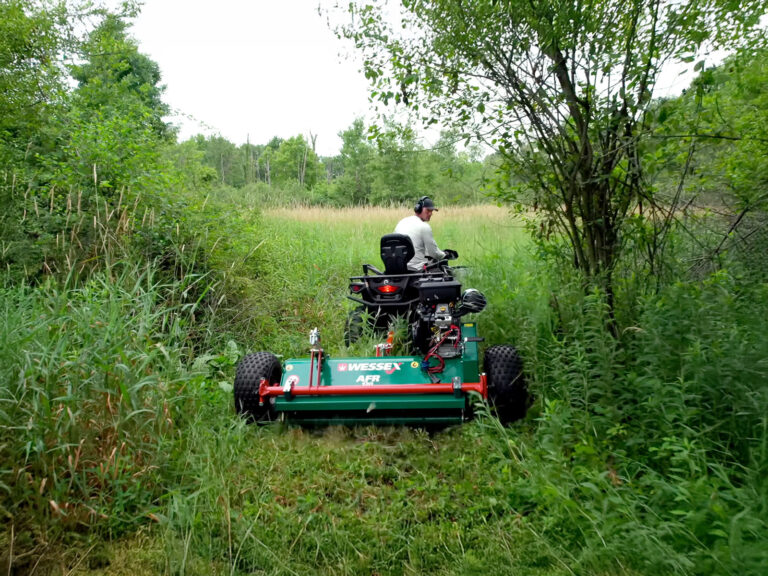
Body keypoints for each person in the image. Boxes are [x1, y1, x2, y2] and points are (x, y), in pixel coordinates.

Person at [394, 196, 457, 272]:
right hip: (417, 268)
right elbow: (434, 253)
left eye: (432, 211)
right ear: (418, 209)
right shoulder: (424, 226)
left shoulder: (402, 222)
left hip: (398, 268)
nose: (430, 213)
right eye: (428, 210)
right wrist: (445, 255)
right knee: (441, 266)